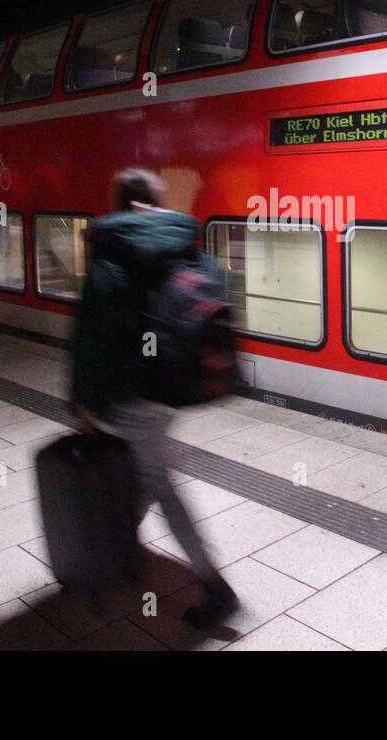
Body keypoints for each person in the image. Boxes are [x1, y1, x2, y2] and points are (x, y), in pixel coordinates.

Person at [70, 167, 239, 631]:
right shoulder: (182, 242)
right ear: (155, 201)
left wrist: (82, 401)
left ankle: (215, 587)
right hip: (174, 386)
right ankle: (116, 550)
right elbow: (214, 288)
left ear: (120, 202)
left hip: (133, 395)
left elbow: (91, 337)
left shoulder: (110, 253)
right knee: (147, 474)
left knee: (158, 483)